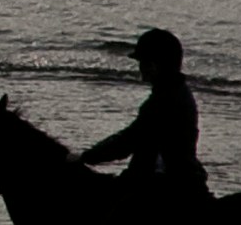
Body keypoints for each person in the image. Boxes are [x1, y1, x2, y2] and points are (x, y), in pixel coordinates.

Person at [80, 28, 208, 203]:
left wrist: (87, 157)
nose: (141, 70)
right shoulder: (177, 93)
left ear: (155, 65)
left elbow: (129, 140)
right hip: (177, 177)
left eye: (143, 63)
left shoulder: (162, 102)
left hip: (162, 184)